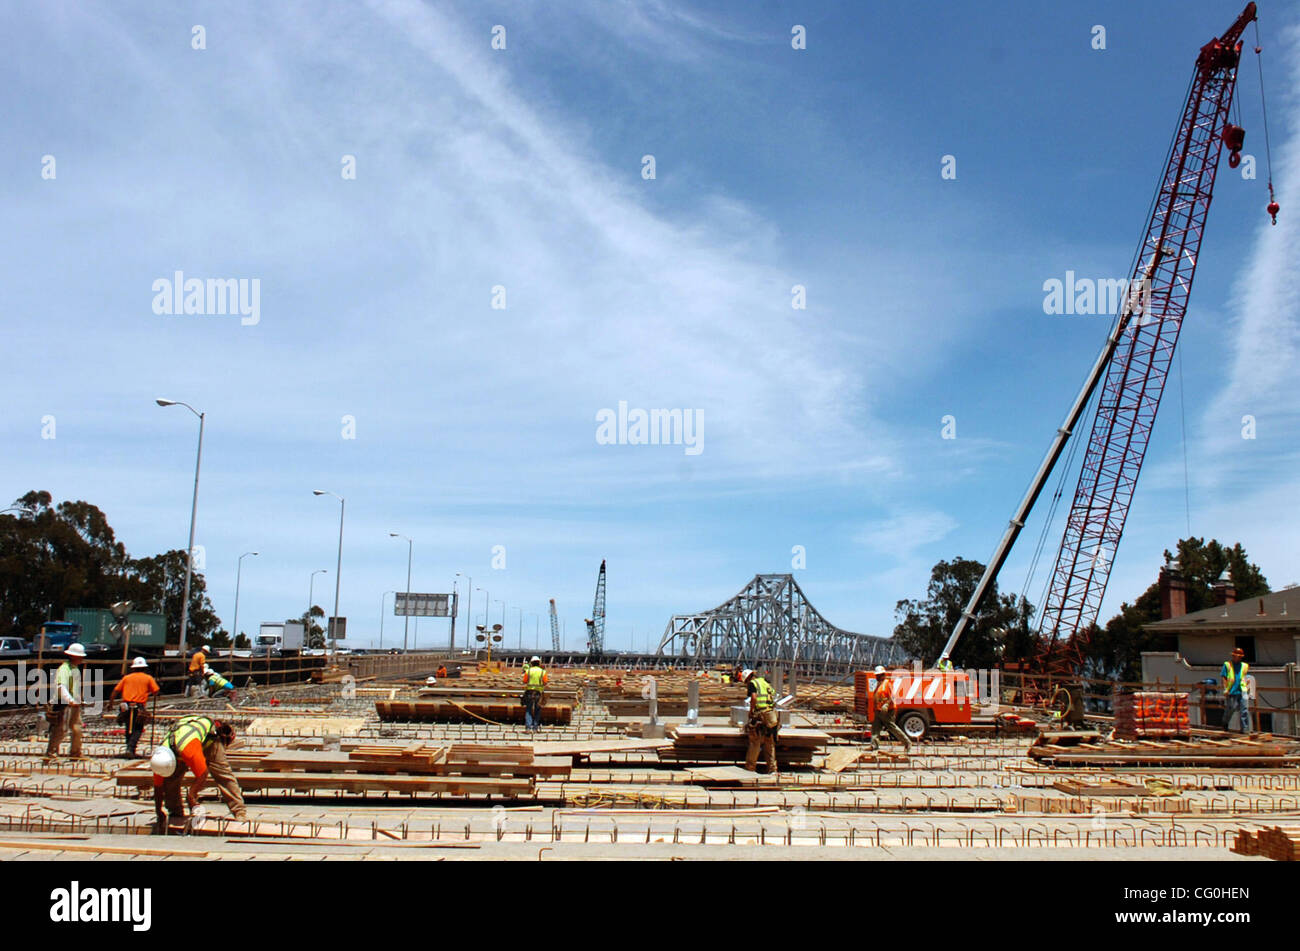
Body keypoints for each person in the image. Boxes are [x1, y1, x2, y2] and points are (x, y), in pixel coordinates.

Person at [153, 715, 247, 833]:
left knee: (223, 774)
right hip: (182, 742)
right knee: (171, 779)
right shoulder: (160, 759)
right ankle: (175, 812)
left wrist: (191, 796)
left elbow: (203, 774)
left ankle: (239, 812)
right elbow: (158, 788)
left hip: (209, 740)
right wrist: (158, 811)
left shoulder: (189, 751)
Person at [110, 657, 160, 757]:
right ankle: (130, 749)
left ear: (133, 668)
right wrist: (147, 692)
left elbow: (115, 691)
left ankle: (129, 749)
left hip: (126, 706)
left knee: (128, 727)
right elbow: (156, 691)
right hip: (139, 706)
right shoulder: (148, 678)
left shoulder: (127, 678)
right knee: (137, 729)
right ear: (144, 668)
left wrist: (110, 703)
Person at [45, 643, 87, 760]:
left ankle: (75, 752)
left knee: (77, 728)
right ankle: (51, 753)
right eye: (80, 656)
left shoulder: (75, 669)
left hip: (74, 704)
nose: (82, 659)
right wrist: (69, 700)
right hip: (63, 704)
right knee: (60, 729)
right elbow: (61, 686)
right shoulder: (64, 669)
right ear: (73, 656)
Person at [741, 668, 779, 773]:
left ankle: (750, 767)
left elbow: (753, 698)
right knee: (769, 742)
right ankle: (772, 768)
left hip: (761, 714)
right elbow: (773, 695)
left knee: (755, 741)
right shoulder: (764, 682)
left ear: (747, 678)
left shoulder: (752, 684)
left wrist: (751, 711)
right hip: (771, 715)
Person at [870, 665, 912, 754]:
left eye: (878, 675)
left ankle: (907, 742)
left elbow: (892, 696)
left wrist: (886, 705)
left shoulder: (887, 683)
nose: (876, 677)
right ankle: (874, 745)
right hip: (878, 710)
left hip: (887, 711)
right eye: (876, 675)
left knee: (892, 727)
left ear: (882, 675)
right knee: (875, 729)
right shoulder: (879, 684)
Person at [1221, 647, 1253, 734]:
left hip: (1243, 690)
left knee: (1244, 710)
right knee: (1231, 708)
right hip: (1231, 690)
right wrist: (1225, 688)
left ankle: (1244, 729)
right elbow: (1224, 677)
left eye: (1239, 656)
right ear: (1233, 656)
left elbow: (1244, 676)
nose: (1237, 658)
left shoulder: (1244, 666)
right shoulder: (1227, 665)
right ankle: (1225, 723)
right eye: (1236, 656)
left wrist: (1247, 683)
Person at [522, 655, 548, 732]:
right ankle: (535, 728)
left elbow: (524, 681)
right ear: (539, 663)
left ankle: (528, 728)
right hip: (538, 693)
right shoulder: (543, 672)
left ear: (531, 663)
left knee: (529, 709)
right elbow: (545, 682)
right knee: (537, 710)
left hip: (529, 692)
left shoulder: (528, 671)